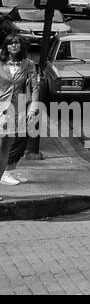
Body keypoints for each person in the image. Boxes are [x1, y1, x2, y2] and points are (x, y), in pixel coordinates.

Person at [0, 35, 40, 193]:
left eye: (16, 43)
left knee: (6, 147)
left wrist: (33, 107)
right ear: (6, 47)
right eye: (10, 44)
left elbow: (35, 87)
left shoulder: (28, 64)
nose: (13, 46)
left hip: (17, 109)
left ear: (21, 46)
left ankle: (4, 174)